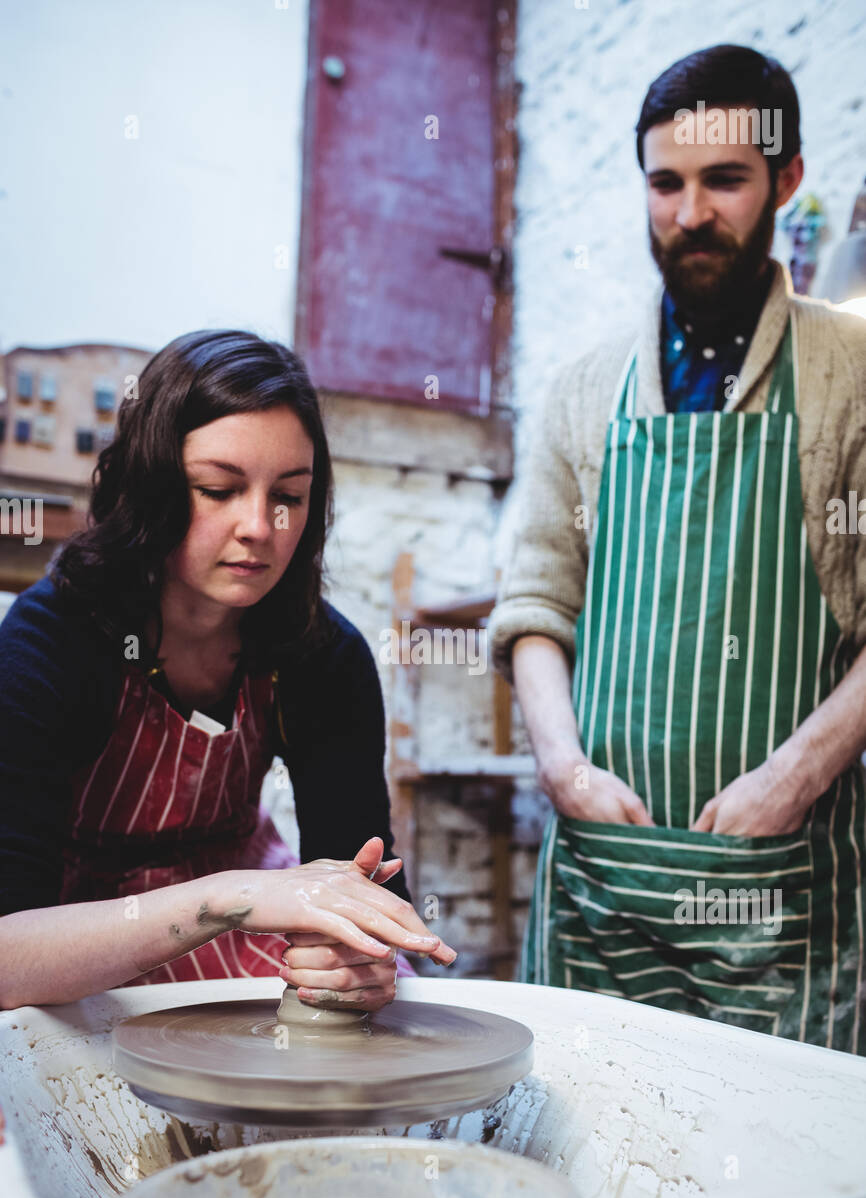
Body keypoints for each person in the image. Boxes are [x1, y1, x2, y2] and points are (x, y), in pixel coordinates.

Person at [489, 45, 866, 1052]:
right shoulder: (584, 386)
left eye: (723, 181)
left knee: (780, 1185)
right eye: (665, 183)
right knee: (588, 1168)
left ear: (785, 181)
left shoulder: (849, 373)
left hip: (777, 890)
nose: (689, 213)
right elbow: (534, 602)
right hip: (601, 885)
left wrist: (788, 778)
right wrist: (563, 769)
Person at [0, 329, 456, 1010]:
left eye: (290, 497)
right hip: (74, 938)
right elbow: (8, 953)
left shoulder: (322, 655)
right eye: (218, 488)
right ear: (148, 485)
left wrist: (362, 958)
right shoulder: (53, 641)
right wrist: (232, 897)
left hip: (242, 908)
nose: (260, 527)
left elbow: (359, 877)